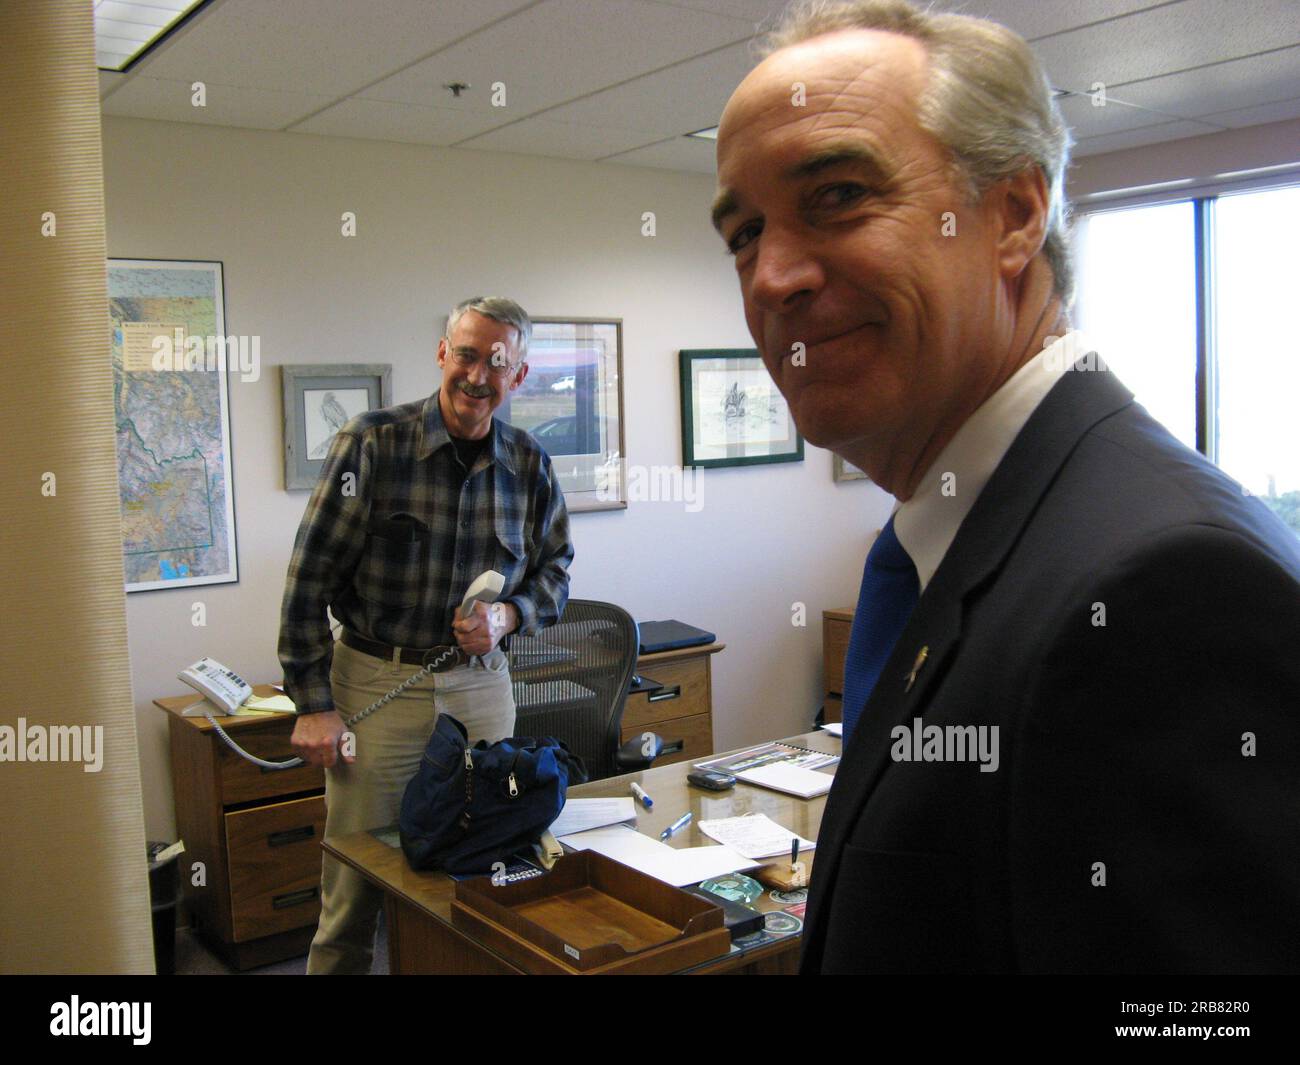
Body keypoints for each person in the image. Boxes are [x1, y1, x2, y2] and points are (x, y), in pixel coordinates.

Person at [713, 0, 1300, 973]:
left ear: (1016, 216)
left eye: (839, 195)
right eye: (742, 233)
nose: (770, 277)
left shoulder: (1161, 587)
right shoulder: (946, 544)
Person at [278, 296, 573, 974]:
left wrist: (508, 616)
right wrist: (312, 701)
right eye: (466, 354)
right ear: (442, 354)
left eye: (497, 362)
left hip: (481, 689)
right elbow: (308, 577)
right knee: (355, 891)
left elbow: (555, 569)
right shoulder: (371, 443)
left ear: (518, 376)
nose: (478, 375)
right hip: (378, 684)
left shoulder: (529, 464)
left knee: (486, 875)